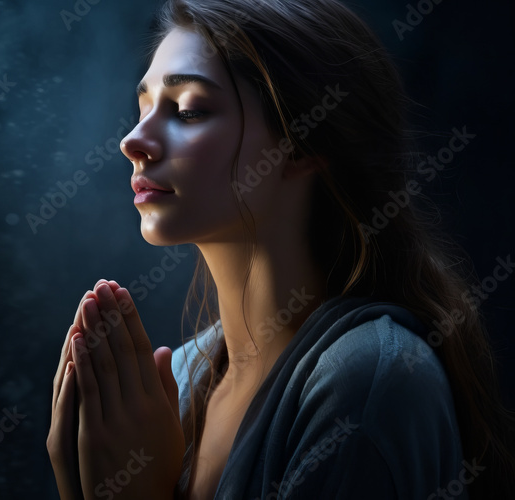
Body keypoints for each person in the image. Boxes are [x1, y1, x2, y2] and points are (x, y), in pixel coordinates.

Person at [46, 0, 515, 499]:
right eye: (143, 109)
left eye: (188, 110)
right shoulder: (175, 380)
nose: (132, 141)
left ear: (305, 143)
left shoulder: (368, 385)